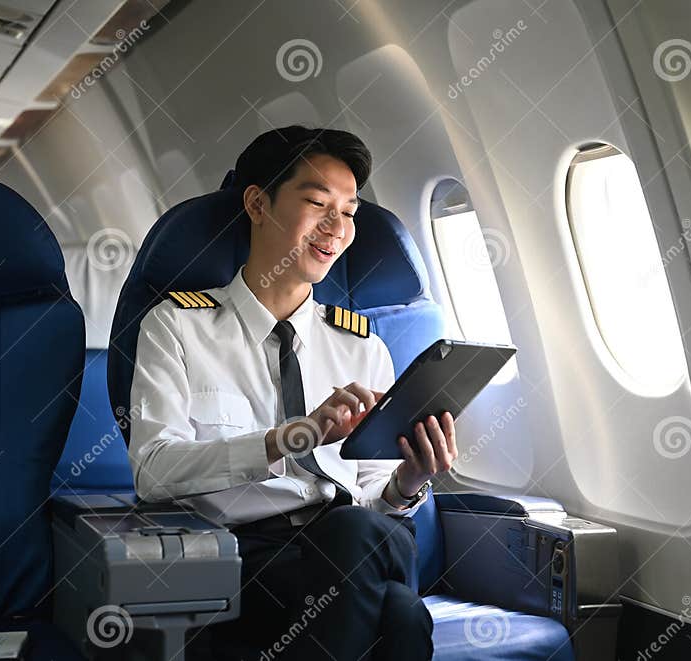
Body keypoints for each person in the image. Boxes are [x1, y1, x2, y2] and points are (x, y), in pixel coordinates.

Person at [128, 125, 457, 660]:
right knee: (399, 610)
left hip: (351, 545)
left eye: (349, 211)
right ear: (258, 204)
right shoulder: (177, 326)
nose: (338, 227)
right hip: (240, 558)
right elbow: (154, 471)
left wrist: (411, 479)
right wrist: (292, 438)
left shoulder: (361, 345)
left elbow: (376, 498)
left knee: (368, 547)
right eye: (317, 202)